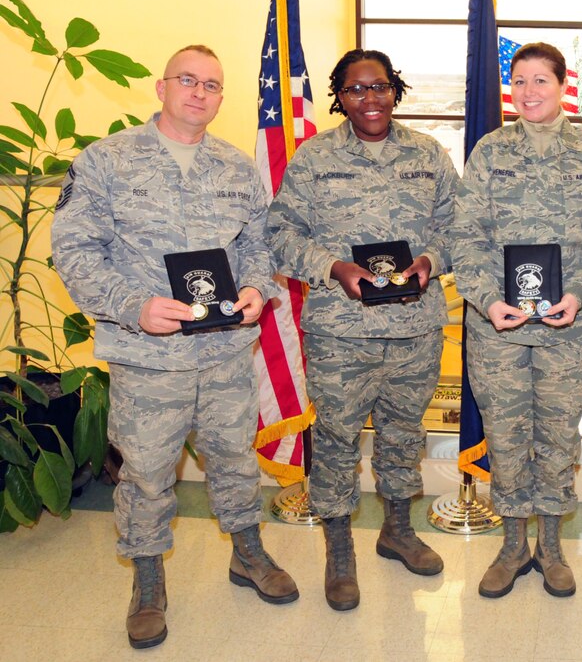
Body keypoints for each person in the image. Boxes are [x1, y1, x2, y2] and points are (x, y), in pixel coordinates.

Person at [51, 45, 297, 650]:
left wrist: (256, 291)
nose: (199, 93)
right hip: (148, 357)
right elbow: (74, 250)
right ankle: (149, 581)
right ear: (162, 88)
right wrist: (132, 305)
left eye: (213, 85)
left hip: (223, 353)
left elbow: (259, 250)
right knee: (148, 471)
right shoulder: (106, 162)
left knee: (236, 458)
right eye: (188, 80)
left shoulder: (237, 169)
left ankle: (247, 553)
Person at [266, 49, 459, 612]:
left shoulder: (428, 154)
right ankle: (339, 549)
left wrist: (430, 260)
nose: (369, 99)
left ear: (395, 90)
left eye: (379, 87)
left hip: (414, 329)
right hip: (339, 332)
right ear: (340, 97)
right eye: (356, 90)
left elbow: (457, 226)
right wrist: (333, 268)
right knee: (335, 439)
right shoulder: (314, 158)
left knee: (403, 433)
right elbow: (280, 232)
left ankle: (397, 529)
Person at [451, 42, 582, 599]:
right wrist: (484, 297)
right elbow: (466, 235)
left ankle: (550, 547)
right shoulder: (488, 152)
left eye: (540, 81)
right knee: (504, 434)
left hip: (566, 327)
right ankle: (511, 544)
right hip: (496, 326)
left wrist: (577, 291)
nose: (528, 92)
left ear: (561, 84)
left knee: (554, 436)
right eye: (519, 81)